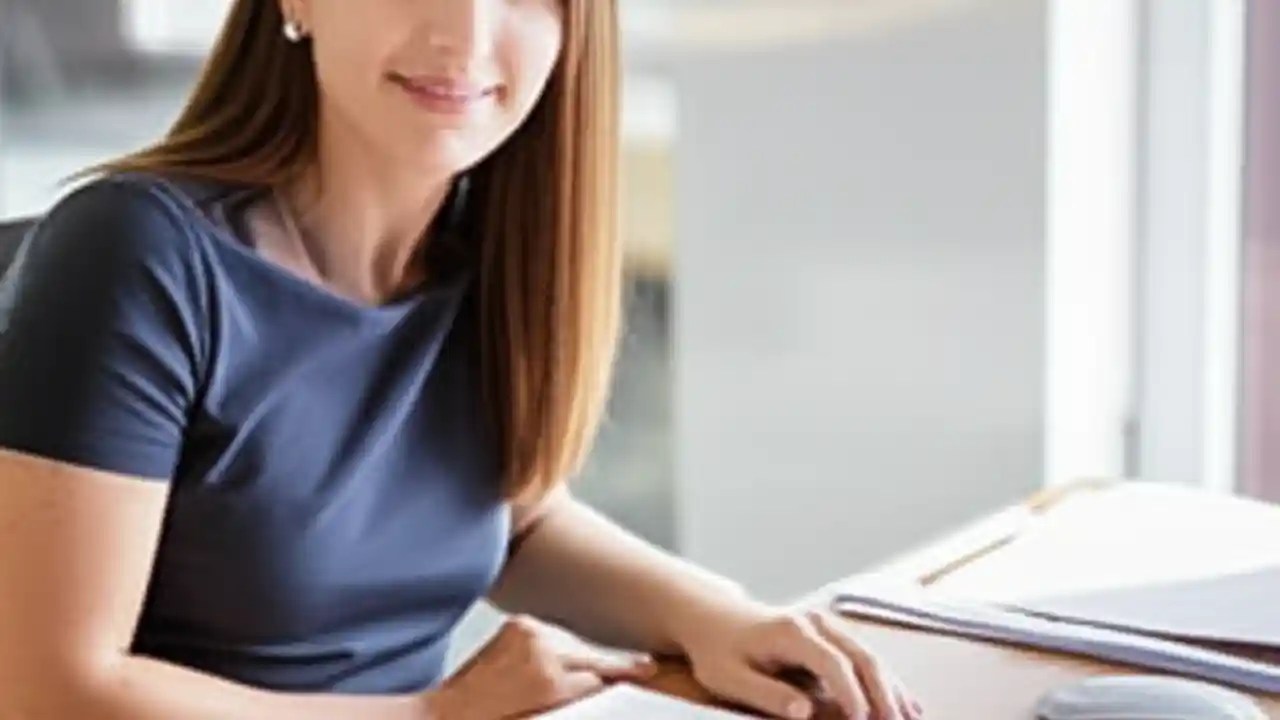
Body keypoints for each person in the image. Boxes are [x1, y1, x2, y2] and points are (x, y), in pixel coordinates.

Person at [0, 1, 923, 718]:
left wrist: (715, 615)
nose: (465, 33)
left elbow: (510, 519)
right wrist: (434, 713)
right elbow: (51, 692)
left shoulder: (486, 250)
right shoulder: (137, 254)